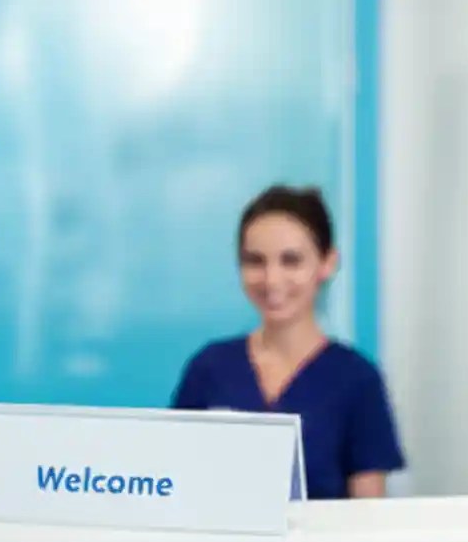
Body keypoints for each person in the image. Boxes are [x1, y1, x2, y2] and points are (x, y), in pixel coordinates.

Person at [171, 185, 405, 499]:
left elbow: (369, 517)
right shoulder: (209, 368)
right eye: (255, 261)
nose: (272, 280)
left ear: (327, 262)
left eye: (291, 260)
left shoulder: (356, 379)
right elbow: (175, 486)